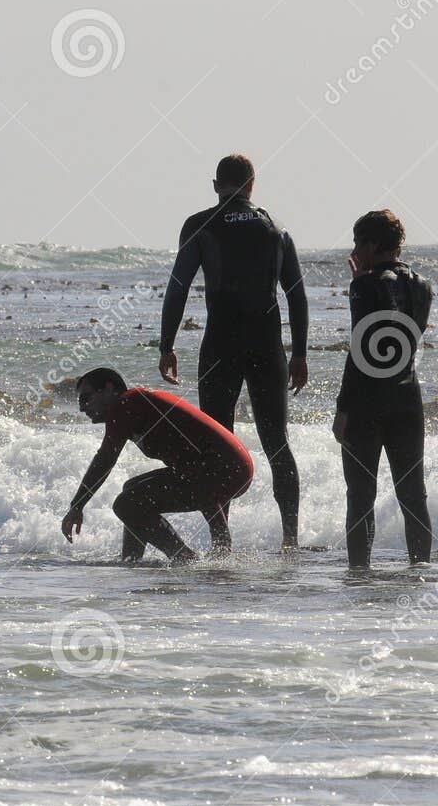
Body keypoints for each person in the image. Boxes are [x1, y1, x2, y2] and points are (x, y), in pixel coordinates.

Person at [158, 153, 308, 550]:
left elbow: (178, 288)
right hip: (267, 345)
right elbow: (296, 295)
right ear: (252, 185)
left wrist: (167, 345)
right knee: (277, 441)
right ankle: (290, 539)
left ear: (215, 185)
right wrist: (300, 354)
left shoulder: (200, 225)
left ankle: (223, 544)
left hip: (221, 345)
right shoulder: (277, 227)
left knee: (217, 447)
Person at [62, 367, 254, 563]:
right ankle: (131, 560)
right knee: (131, 490)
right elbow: (193, 471)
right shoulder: (132, 407)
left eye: (86, 398)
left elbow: (105, 460)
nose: (82, 408)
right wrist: (221, 541)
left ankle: (184, 558)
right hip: (224, 470)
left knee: (126, 503)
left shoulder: (127, 403)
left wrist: (76, 506)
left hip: (226, 468)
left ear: (109, 388)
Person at [333, 209, 432, 570]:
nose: (356, 249)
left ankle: (359, 575)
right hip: (408, 399)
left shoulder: (364, 285)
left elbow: (363, 351)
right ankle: (420, 571)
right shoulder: (423, 286)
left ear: (373, 244)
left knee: (360, 496)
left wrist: (343, 409)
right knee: (412, 495)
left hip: (367, 405)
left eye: (359, 242)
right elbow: (401, 344)